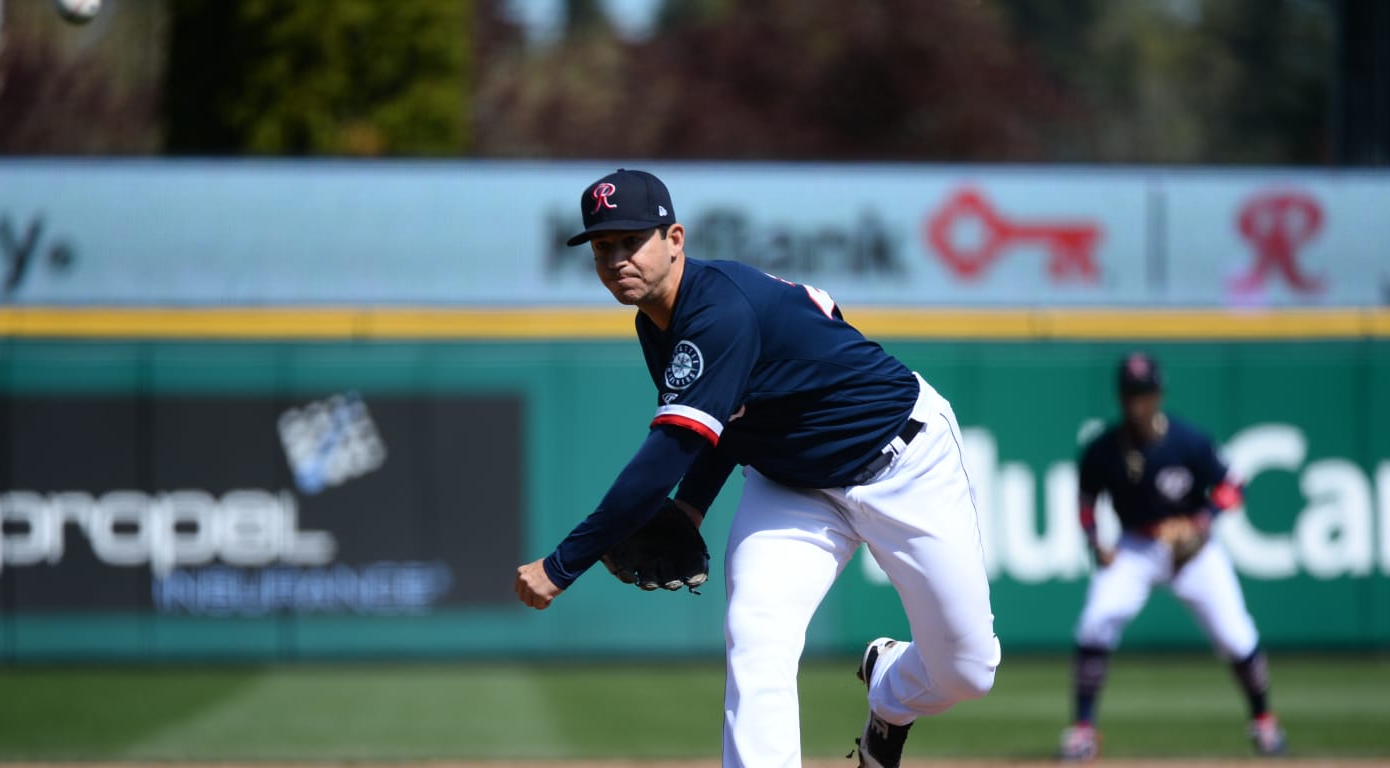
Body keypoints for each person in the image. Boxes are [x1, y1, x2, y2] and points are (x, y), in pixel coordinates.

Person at [513, 169, 1000, 768]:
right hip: (792, 486)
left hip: (904, 463)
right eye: (602, 246)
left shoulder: (718, 310)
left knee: (966, 672)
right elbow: (728, 423)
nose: (616, 260)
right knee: (757, 636)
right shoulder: (654, 322)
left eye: (631, 241)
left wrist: (564, 564)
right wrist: (691, 507)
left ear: (674, 239)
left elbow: (667, 453)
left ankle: (890, 689)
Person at [1058, 352, 1286, 762]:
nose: (1137, 402)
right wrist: (1095, 541)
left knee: (1235, 635)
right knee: (1095, 622)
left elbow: (1234, 485)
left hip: (1192, 549)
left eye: (1144, 393)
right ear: (1120, 397)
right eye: (1130, 394)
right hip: (1135, 546)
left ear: (1158, 394)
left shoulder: (1187, 440)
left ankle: (1264, 720)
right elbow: (1086, 502)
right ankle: (1083, 730)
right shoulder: (1103, 448)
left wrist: (1204, 521)